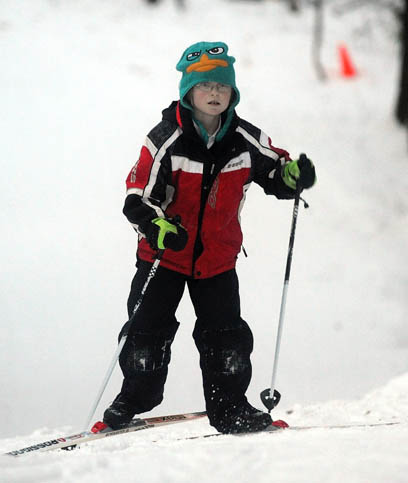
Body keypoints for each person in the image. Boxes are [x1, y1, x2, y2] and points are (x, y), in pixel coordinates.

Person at [102, 41, 316, 434]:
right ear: (188, 92)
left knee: (226, 336)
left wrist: (291, 177)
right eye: (205, 87)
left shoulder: (246, 140)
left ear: (233, 93)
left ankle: (230, 406)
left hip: (217, 258)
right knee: (146, 330)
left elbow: (276, 171)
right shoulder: (165, 140)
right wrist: (157, 225)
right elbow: (137, 196)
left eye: (222, 86)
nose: (215, 93)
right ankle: (136, 396)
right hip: (164, 255)